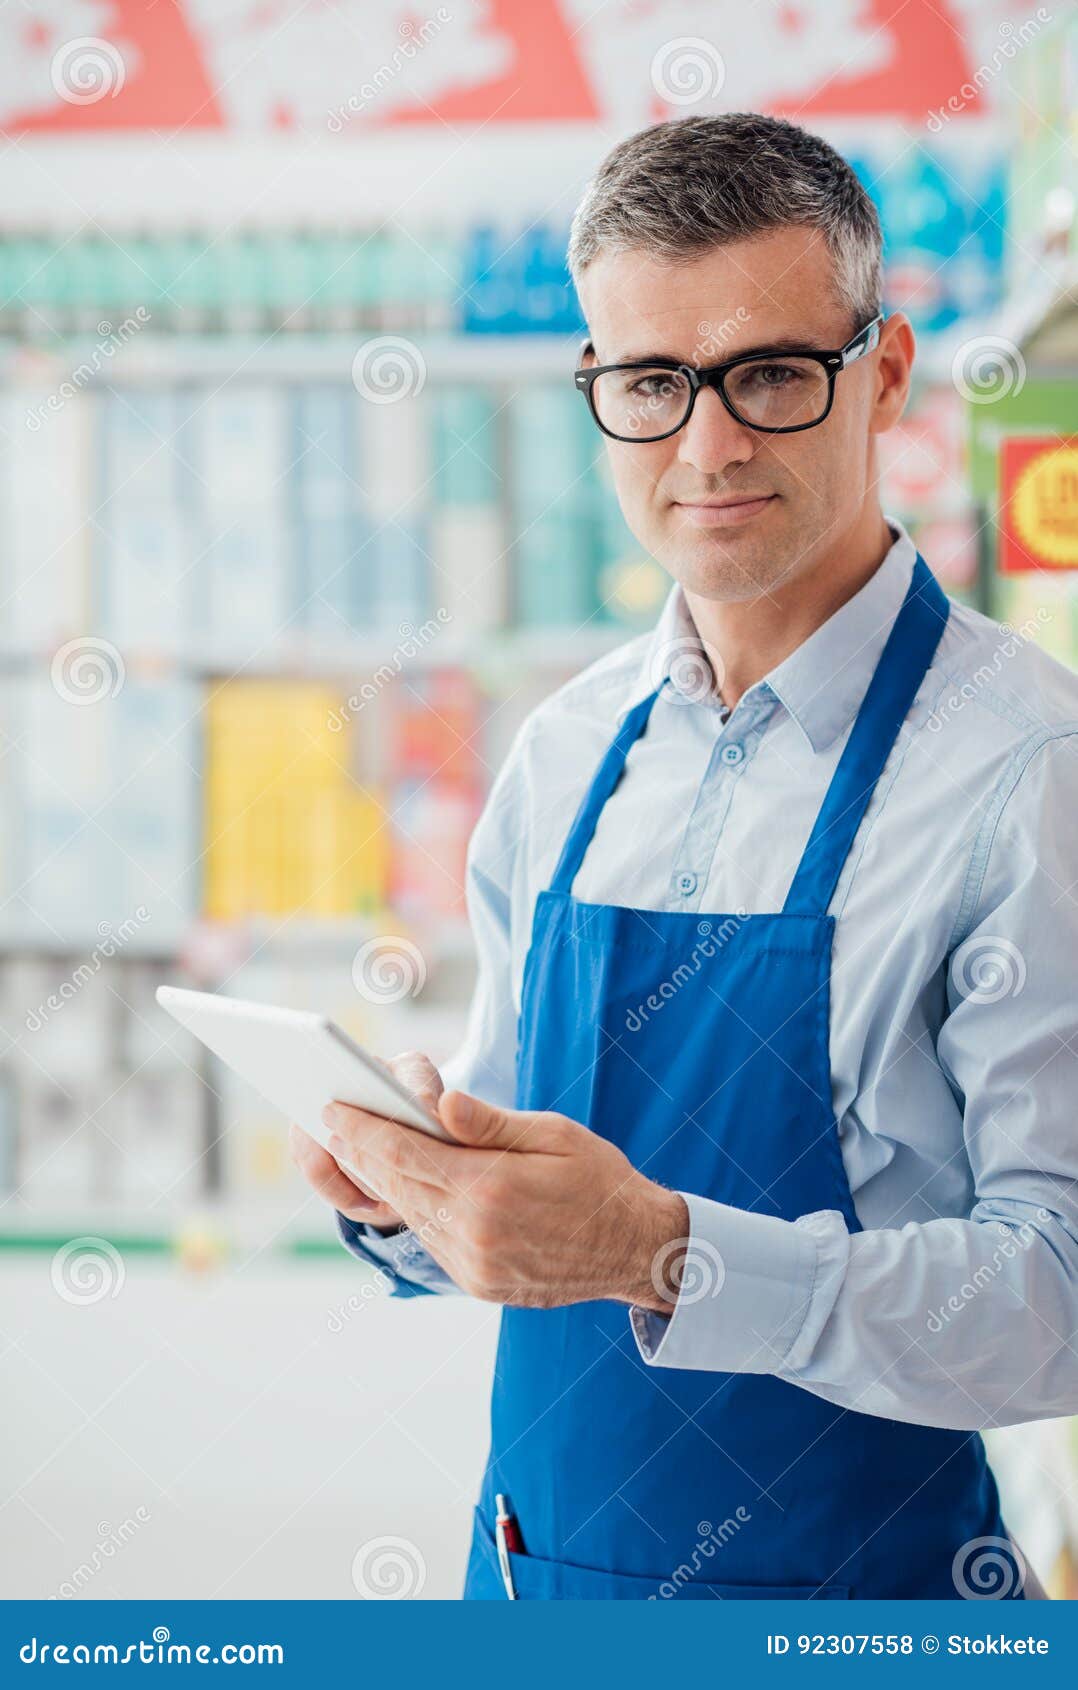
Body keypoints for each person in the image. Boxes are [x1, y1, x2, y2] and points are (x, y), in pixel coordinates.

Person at [291, 113, 1075, 1600]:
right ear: (597, 392)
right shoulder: (565, 753)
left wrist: (663, 1251)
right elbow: (526, 1173)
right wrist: (410, 1192)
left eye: (770, 375)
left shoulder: (1026, 770)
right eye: (650, 383)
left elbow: (1059, 1290)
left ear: (884, 378)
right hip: (537, 1588)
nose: (705, 445)